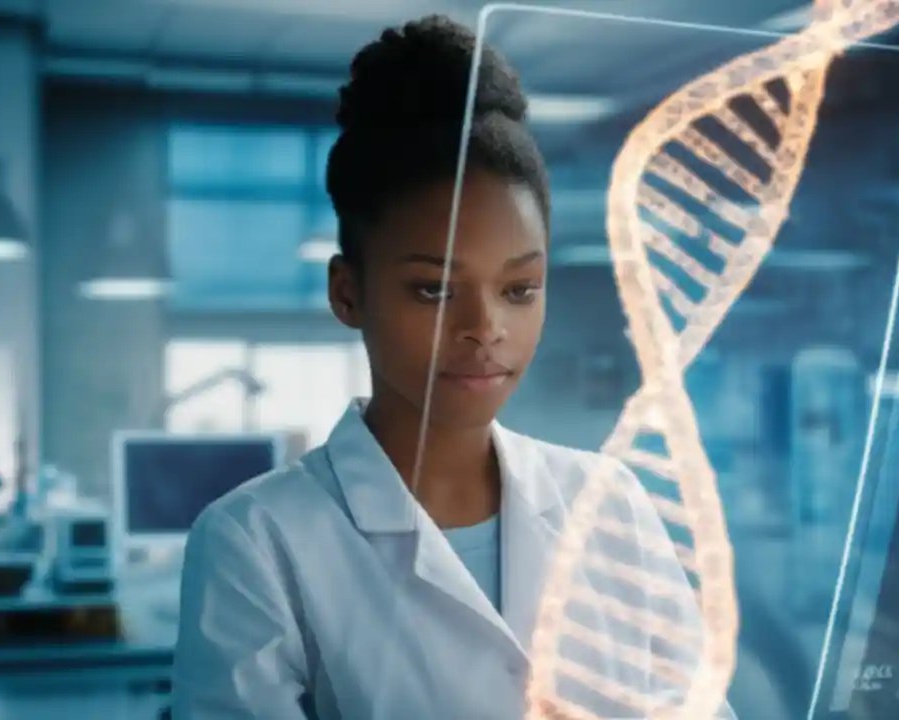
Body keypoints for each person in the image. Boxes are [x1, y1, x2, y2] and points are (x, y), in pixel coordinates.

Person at [171, 15, 730, 719]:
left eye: (519, 289)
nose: (485, 330)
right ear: (348, 292)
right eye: (434, 289)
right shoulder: (258, 541)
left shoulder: (608, 504)